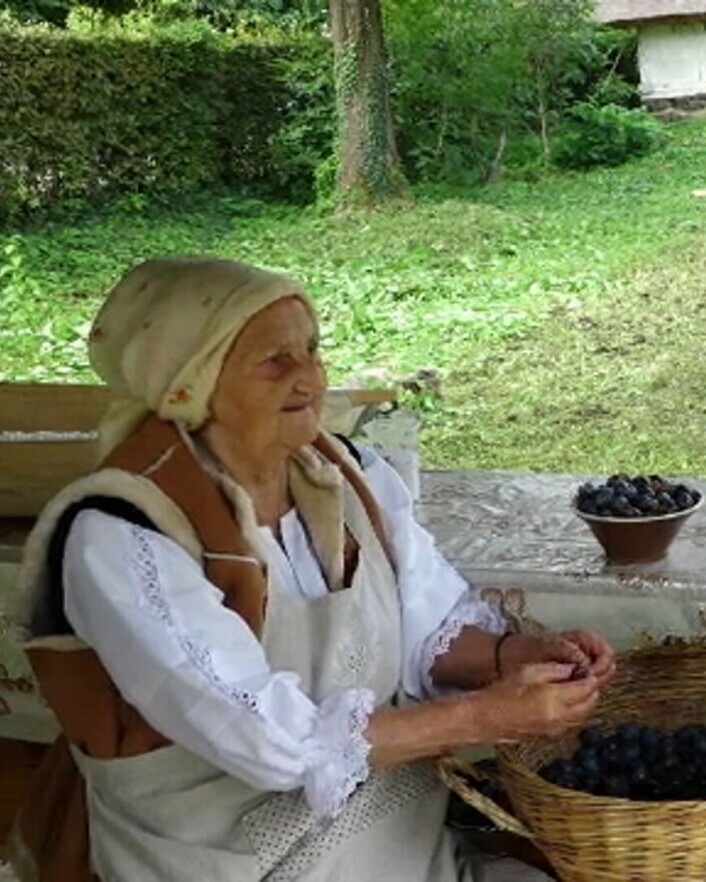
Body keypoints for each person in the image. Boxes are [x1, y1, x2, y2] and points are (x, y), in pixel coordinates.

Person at [4, 257, 614, 881]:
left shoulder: (345, 475)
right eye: (276, 361)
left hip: (399, 851)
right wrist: (485, 716)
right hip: (225, 862)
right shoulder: (124, 535)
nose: (310, 379)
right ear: (191, 383)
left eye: (314, 351)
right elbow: (267, 740)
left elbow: (425, 620)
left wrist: (504, 658)